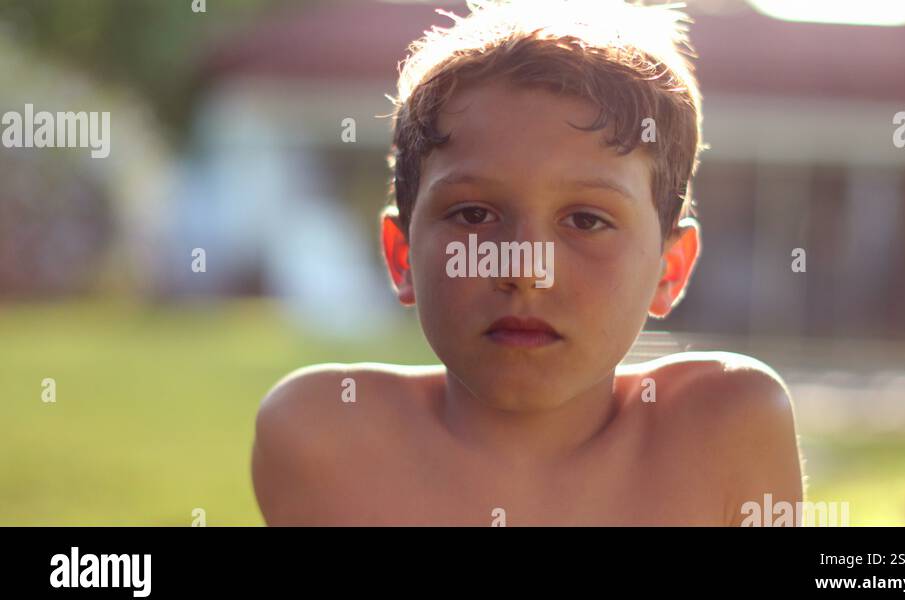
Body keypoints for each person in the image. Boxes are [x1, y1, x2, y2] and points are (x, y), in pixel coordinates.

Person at [252, 0, 804, 525]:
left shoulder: (725, 432)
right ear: (401, 257)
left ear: (670, 269)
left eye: (586, 221)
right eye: (473, 214)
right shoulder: (324, 440)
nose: (525, 268)